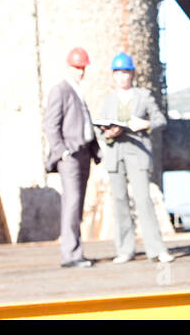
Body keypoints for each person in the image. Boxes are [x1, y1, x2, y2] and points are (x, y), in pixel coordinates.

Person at [95, 53, 173, 264]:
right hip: (115, 153)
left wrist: (145, 124)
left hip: (137, 152)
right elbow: (101, 129)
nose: (122, 77)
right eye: (118, 73)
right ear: (113, 76)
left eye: (126, 73)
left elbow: (159, 119)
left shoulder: (144, 96)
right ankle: (125, 250)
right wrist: (107, 133)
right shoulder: (108, 100)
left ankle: (156, 249)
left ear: (132, 74)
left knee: (143, 200)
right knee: (119, 201)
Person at [44, 47, 101, 268]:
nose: (81, 72)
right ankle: (70, 254)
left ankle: (75, 251)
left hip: (84, 154)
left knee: (77, 205)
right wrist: (62, 152)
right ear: (69, 67)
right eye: (77, 67)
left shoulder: (76, 90)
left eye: (83, 67)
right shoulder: (61, 90)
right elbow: (50, 124)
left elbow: (83, 123)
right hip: (71, 157)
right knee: (72, 203)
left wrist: (95, 150)